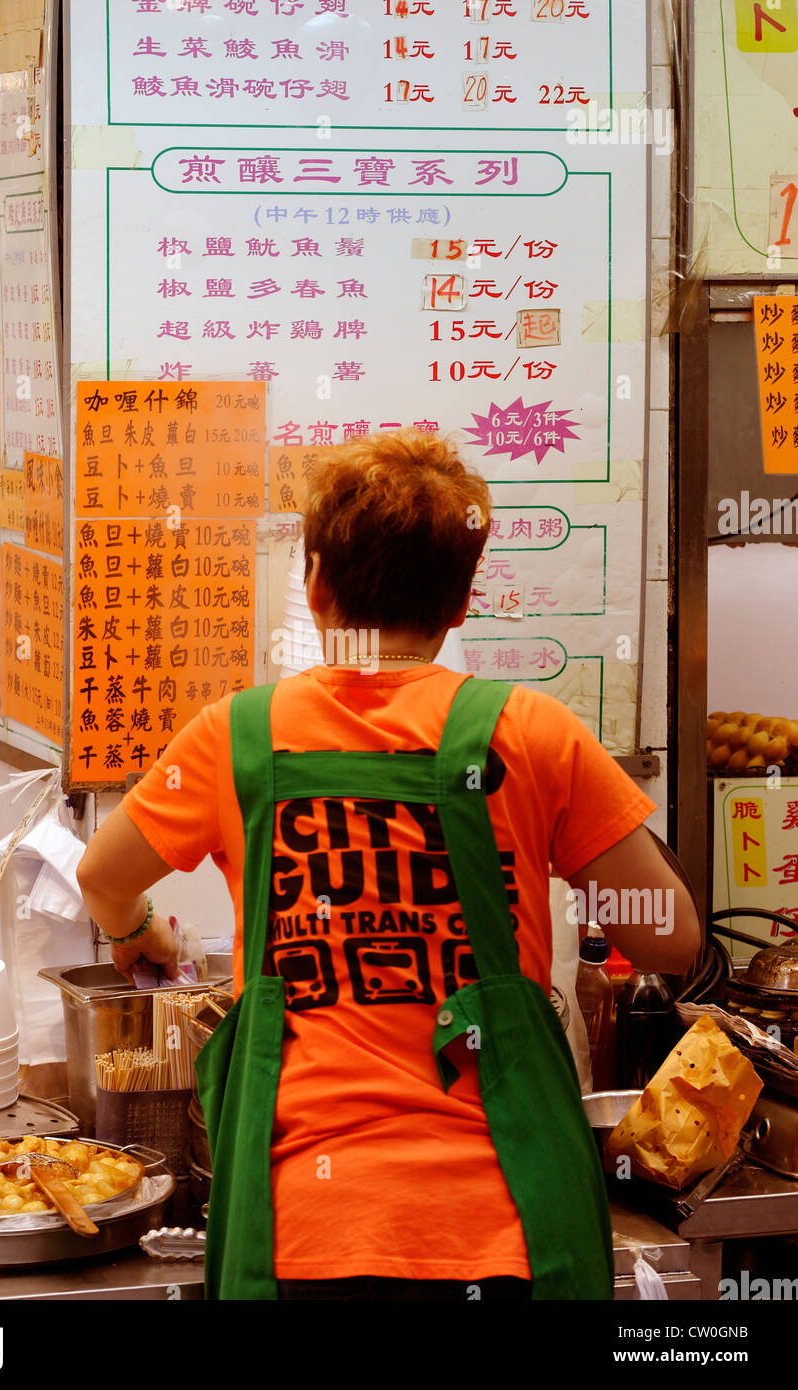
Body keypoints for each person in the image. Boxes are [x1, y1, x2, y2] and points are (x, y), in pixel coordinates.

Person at [77, 429, 700, 1301]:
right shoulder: (535, 735)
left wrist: (136, 930)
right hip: (507, 1233)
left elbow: (102, 877)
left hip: (300, 1236)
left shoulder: (236, 738)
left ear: (318, 584)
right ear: (462, 601)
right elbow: (669, 941)